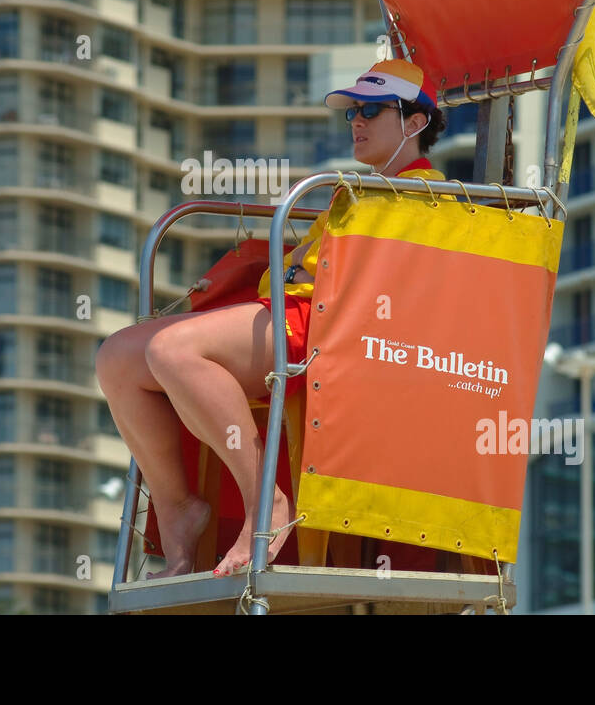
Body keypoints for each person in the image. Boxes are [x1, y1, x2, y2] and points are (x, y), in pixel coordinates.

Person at [94, 59, 448, 578]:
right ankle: (177, 508)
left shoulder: (426, 195)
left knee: (174, 350)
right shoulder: (361, 193)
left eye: (372, 109)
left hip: (332, 328)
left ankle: (268, 504)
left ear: (415, 124)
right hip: (292, 312)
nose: (357, 121)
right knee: (117, 357)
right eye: (353, 110)